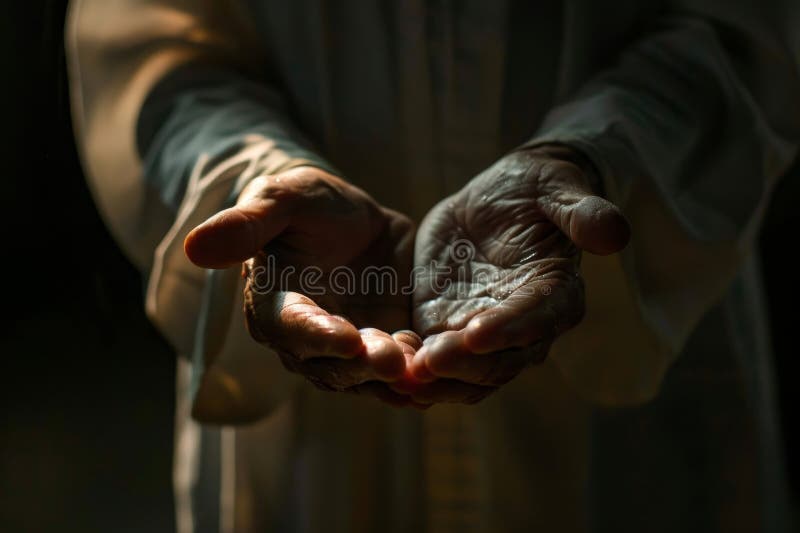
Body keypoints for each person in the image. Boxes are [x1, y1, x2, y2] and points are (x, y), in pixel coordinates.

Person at [66, 0, 799, 531]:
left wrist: (596, 156)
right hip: (313, 416)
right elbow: (158, 48)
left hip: (629, 361)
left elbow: (748, 28)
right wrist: (255, 172)